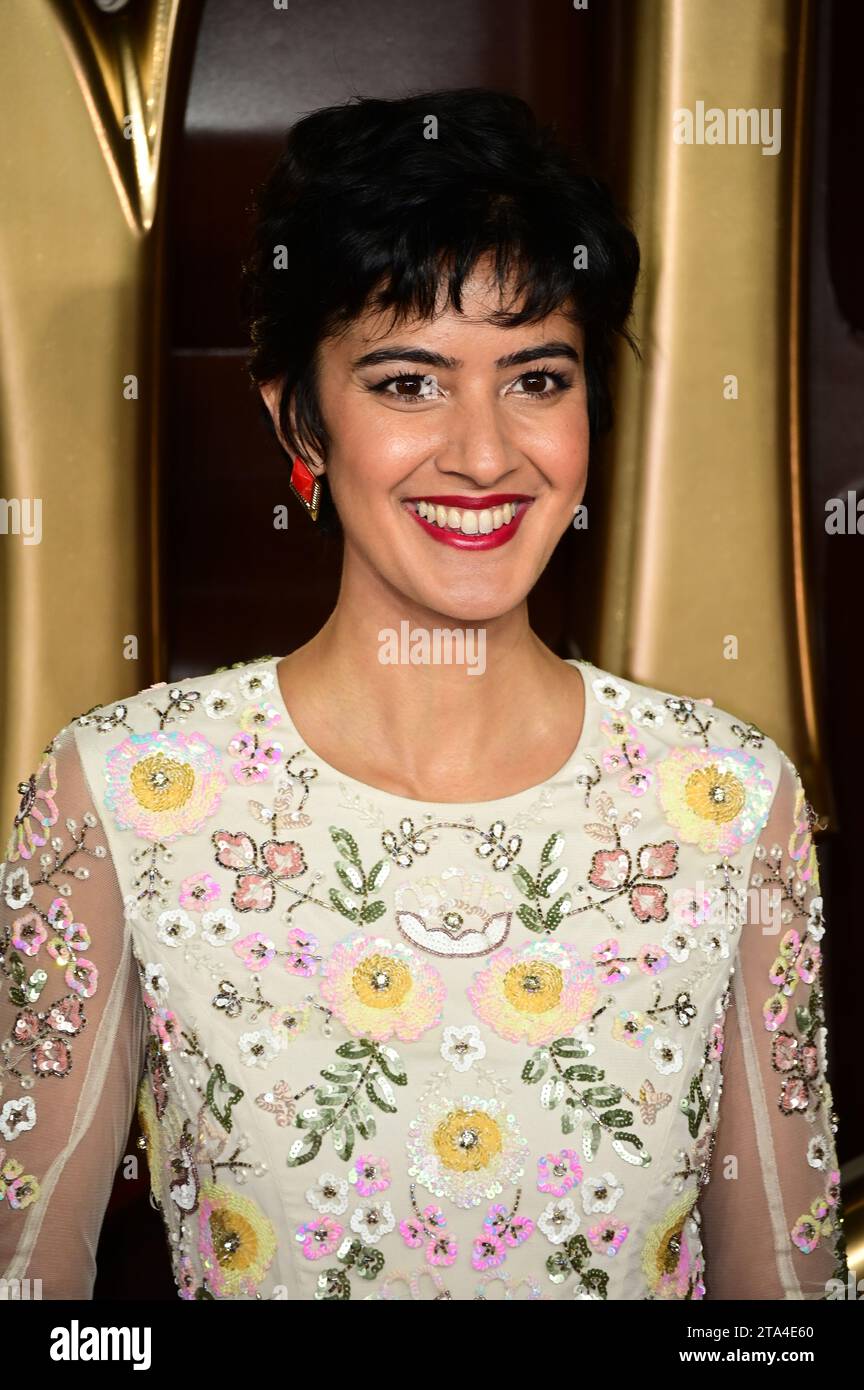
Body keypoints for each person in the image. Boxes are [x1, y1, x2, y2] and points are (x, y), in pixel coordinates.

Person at [0, 88, 848, 1301]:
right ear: (298, 412)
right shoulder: (127, 796)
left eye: (537, 378)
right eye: (409, 382)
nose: (486, 453)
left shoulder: (724, 803)